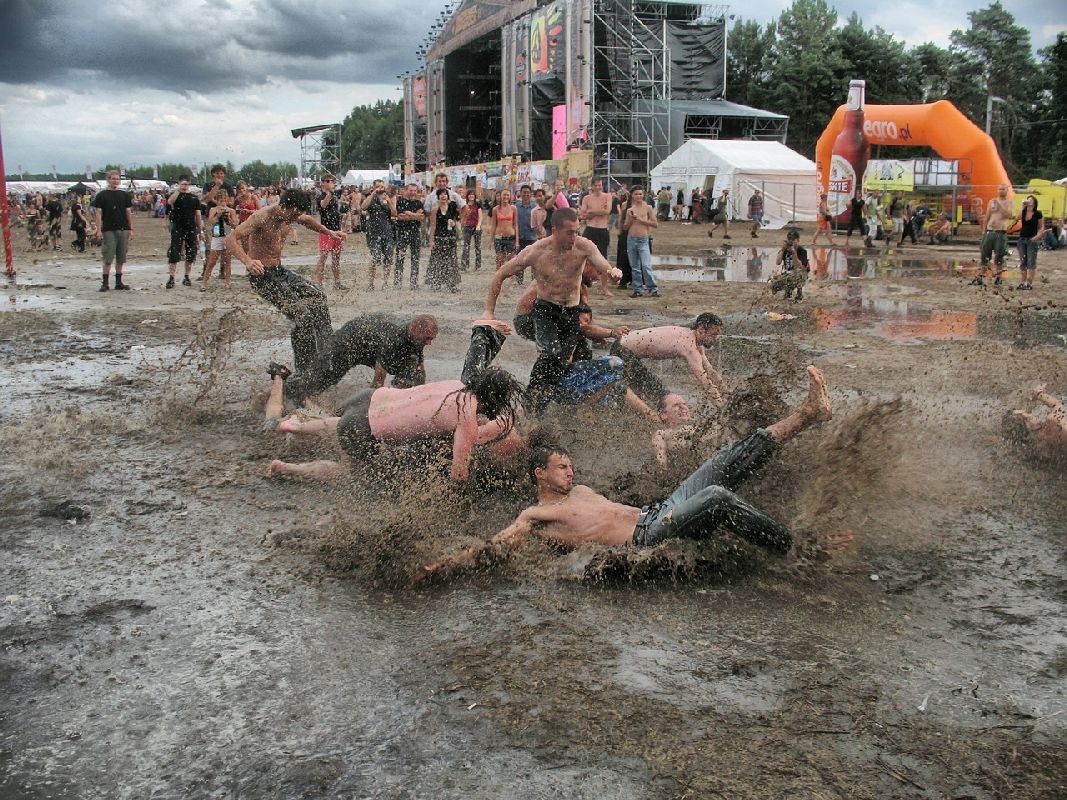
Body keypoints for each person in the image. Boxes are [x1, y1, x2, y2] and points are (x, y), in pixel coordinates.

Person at [418, 366, 833, 580]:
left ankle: (808, 415)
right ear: (539, 475)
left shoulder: (580, 490)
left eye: (570, 464)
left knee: (722, 462)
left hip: (661, 511)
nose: (570, 470)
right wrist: (449, 564)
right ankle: (798, 548)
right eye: (560, 467)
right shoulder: (536, 517)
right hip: (648, 536)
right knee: (716, 499)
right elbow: (495, 546)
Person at [269, 322, 526, 484]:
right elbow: (458, 476)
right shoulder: (466, 417)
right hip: (362, 427)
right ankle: (287, 469)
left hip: (367, 399)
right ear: (494, 399)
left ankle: (295, 426)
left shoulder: (455, 386)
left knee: (352, 421)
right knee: (350, 472)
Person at [482, 207, 622, 407]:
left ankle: (551, 399)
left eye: (576, 231)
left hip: (571, 311)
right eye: (569, 232)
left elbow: (605, 267)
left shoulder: (584, 247)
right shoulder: (536, 251)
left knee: (562, 362)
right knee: (550, 354)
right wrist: (489, 311)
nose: (574, 237)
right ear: (555, 231)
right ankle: (530, 404)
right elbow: (500, 275)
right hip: (546, 310)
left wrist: (614, 273)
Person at [225, 189, 346, 376]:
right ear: (283, 206)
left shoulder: (290, 214)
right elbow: (230, 239)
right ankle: (304, 373)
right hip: (262, 276)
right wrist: (248, 261)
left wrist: (328, 231)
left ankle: (325, 355)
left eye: (297, 214)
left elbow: (306, 220)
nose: (295, 218)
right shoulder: (261, 217)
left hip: (279, 271)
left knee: (318, 296)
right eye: (293, 214)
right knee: (302, 316)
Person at [279, 313, 438, 405]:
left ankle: (403, 400)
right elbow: (377, 382)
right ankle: (284, 384)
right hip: (347, 343)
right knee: (322, 379)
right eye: (427, 339)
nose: (430, 343)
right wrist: (377, 408)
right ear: (415, 329)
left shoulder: (416, 337)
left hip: (370, 342)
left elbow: (419, 368)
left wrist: (421, 395)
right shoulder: (395, 340)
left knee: (412, 370)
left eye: (432, 339)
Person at [615, 314, 727, 406]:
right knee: (654, 391)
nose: (716, 338)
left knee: (652, 388)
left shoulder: (694, 341)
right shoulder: (689, 345)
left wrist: (727, 393)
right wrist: (721, 405)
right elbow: (704, 380)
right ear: (701, 329)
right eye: (713, 334)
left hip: (626, 349)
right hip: (622, 350)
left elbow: (710, 371)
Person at [92, 171, 134, 291]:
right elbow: (99, 213)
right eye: (113, 179)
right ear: (108, 180)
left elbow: (128, 212)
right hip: (109, 229)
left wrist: (131, 228)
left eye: (117, 179)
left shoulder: (124, 195)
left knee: (121, 257)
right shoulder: (102, 195)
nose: (115, 181)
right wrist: (98, 229)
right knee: (108, 257)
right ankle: (105, 283)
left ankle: (119, 282)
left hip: (123, 228)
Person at [1006, 384, 1067, 462]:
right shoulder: (1054, 423)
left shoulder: (1039, 452)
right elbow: (1057, 405)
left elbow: (1057, 405)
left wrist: (1039, 394)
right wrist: (1039, 394)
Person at [971, 184, 1014, 287]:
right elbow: (987, 216)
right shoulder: (992, 202)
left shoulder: (1009, 202)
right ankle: (980, 277)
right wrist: (984, 231)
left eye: (1003, 189)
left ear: (1007, 191)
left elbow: (1009, 215)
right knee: (984, 255)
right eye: (999, 189)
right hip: (990, 231)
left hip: (1000, 232)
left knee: (999, 256)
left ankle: (999, 278)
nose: (1001, 191)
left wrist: (1000, 206)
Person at [623, 187, 659, 298]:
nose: (638, 196)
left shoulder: (648, 208)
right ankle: (638, 289)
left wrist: (640, 219)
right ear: (632, 196)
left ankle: (653, 289)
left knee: (646, 265)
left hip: (643, 239)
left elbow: (655, 224)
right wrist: (630, 219)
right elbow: (625, 227)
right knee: (635, 267)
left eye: (640, 194)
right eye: (636, 194)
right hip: (631, 239)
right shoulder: (630, 210)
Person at [362, 179, 396, 291]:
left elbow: (395, 214)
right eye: (378, 186)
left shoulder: (387, 198)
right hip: (373, 232)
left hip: (387, 231)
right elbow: (363, 207)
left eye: (382, 186)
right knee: (375, 257)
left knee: (388, 258)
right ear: (373, 187)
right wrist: (373, 194)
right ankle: (371, 283)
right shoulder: (371, 198)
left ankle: (385, 283)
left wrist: (389, 201)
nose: (380, 188)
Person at [314, 174, 347, 290]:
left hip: (336, 230)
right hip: (325, 230)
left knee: (336, 258)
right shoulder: (320, 196)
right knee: (323, 257)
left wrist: (341, 228)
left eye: (331, 181)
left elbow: (336, 212)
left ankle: (337, 283)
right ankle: (319, 283)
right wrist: (329, 193)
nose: (330, 183)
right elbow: (323, 205)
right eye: (327, 181)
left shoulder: (334, 196)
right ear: (323, 183)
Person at [200, 190, 238, 291]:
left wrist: (228, 218)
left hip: (228, 235)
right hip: (217, 236)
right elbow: (210, 222)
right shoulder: (213, 209)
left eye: (225, 200)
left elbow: (235, 225)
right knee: (212, 261)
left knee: (227, 261)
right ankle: (204, 282)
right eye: (221, 200)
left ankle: (227, 282)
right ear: (217, 200)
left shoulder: (231, 211)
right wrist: (218, 215)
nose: (223, 202)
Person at [427, 188, 462, 292]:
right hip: (439, 238)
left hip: (450, 237)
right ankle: (436, 283)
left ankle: (452, 284)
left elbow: (457, 219)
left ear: (448, 196)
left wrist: (454, 223)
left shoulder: (452, 207)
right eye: (441, 194)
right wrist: (431, 240)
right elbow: (433, 225)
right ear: (438, 197)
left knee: (452, 261)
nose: (443, 196)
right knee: (437, 261)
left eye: (445, 194)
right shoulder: (435, 210)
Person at [394, 183, 425, 290]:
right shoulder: (400, 202)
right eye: (411, 190)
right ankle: (397, 283)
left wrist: (409, 214)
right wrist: (415, 215)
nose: (413, 193)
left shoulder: (419, 203)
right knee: (400, 257)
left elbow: (421, 217)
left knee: (415, 258)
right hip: (402, 232)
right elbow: (400, 217)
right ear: (406, 190)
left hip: (415, 233)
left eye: (414, 191)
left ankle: (414, 283)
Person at [771, 229, 810, 301]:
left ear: (798, 240)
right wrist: (782, 250)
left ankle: (799, 293)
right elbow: (778, 262)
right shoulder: (785, 249)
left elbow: (799, 266)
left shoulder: (802, 251)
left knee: (798, 275)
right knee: (774, 284)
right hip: (788, 274)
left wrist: (794, 253)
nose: (791, 242)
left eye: (793, 240)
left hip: (800, 274)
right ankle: (788, 292)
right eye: (789, 239)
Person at [1015, 195, 1044, 291]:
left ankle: (1029, 282)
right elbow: (1017, 218)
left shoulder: (1038, 214)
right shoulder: (1023, 211)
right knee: (1023, 261)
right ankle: (1023, 282)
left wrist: (1037, 236)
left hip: (1032, 239)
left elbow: (1041, 227)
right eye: (1028, 199)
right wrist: (1023, 206)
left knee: (1031, 261)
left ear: (1034, 203)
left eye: (1031, 200)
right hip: (1022, 239)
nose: (1029, 201)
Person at [488, 188, 520, 275]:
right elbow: (494, 225)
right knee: (499, 260)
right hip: (499, 237)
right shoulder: (495, 209)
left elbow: (516, 224)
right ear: (500, 196)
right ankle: (498, 282)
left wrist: (517, 241)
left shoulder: (513, 208)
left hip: (511, 237)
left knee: (511, 261)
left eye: (507, 195)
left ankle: (511, 283)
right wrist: (490, 241)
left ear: (510, 197)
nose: (506, 197)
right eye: (504, 195)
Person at [579, 179, 612, 260]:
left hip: (602, 229)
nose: (598, 187)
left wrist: (591, 211)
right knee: (585, 255)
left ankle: (602, 272)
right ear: (592, 186)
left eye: (599, 185)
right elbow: (582, 215)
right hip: (590, 229)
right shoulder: (587, 198)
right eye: (595, 185)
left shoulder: (607, 196)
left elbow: (607, 211)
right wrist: (599, 211)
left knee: (602, 256)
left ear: (602, 186)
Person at [459, 189, 483, 272]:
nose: (471, 196)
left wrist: (478, 226)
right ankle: (464, 265)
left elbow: (480, 216)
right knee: (466, 247)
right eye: (469, 194)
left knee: (477, 247)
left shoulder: (478, 204)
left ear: (474, 196)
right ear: (467, 196)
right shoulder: (464, 205)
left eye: (472, 194)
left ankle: (478, 265)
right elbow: (462, 216)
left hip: (476, 227)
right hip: (467, 227)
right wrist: (462, 226)